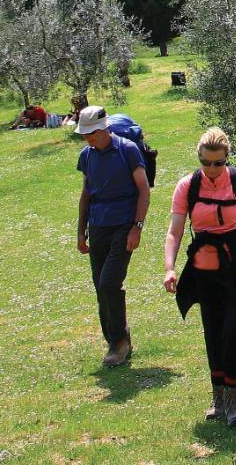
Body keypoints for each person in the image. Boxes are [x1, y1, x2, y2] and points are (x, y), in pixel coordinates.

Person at [163, 128, 236, 428]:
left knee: (235, 330)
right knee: (213, 331)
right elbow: (174, 232)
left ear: (227, 158)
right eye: (206, 163)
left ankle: (234, 397)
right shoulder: (187, 186)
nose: (212, 169)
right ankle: (218, 398)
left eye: (218, 163)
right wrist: (169, 267)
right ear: (199, 159)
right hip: (206, 270)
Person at [74, 104, 151, 366]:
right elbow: (86, 195)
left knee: (109, 283)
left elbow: (143, 190)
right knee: (100, 288)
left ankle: (119, 343)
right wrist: (80, 232)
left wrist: (137, 227)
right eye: (85, 134)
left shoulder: (127, 151)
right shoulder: (87, 155)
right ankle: (115, 340)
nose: (88, 138)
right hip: (98, 227)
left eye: (92, 133)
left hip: (123, 225)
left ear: (104, 128)